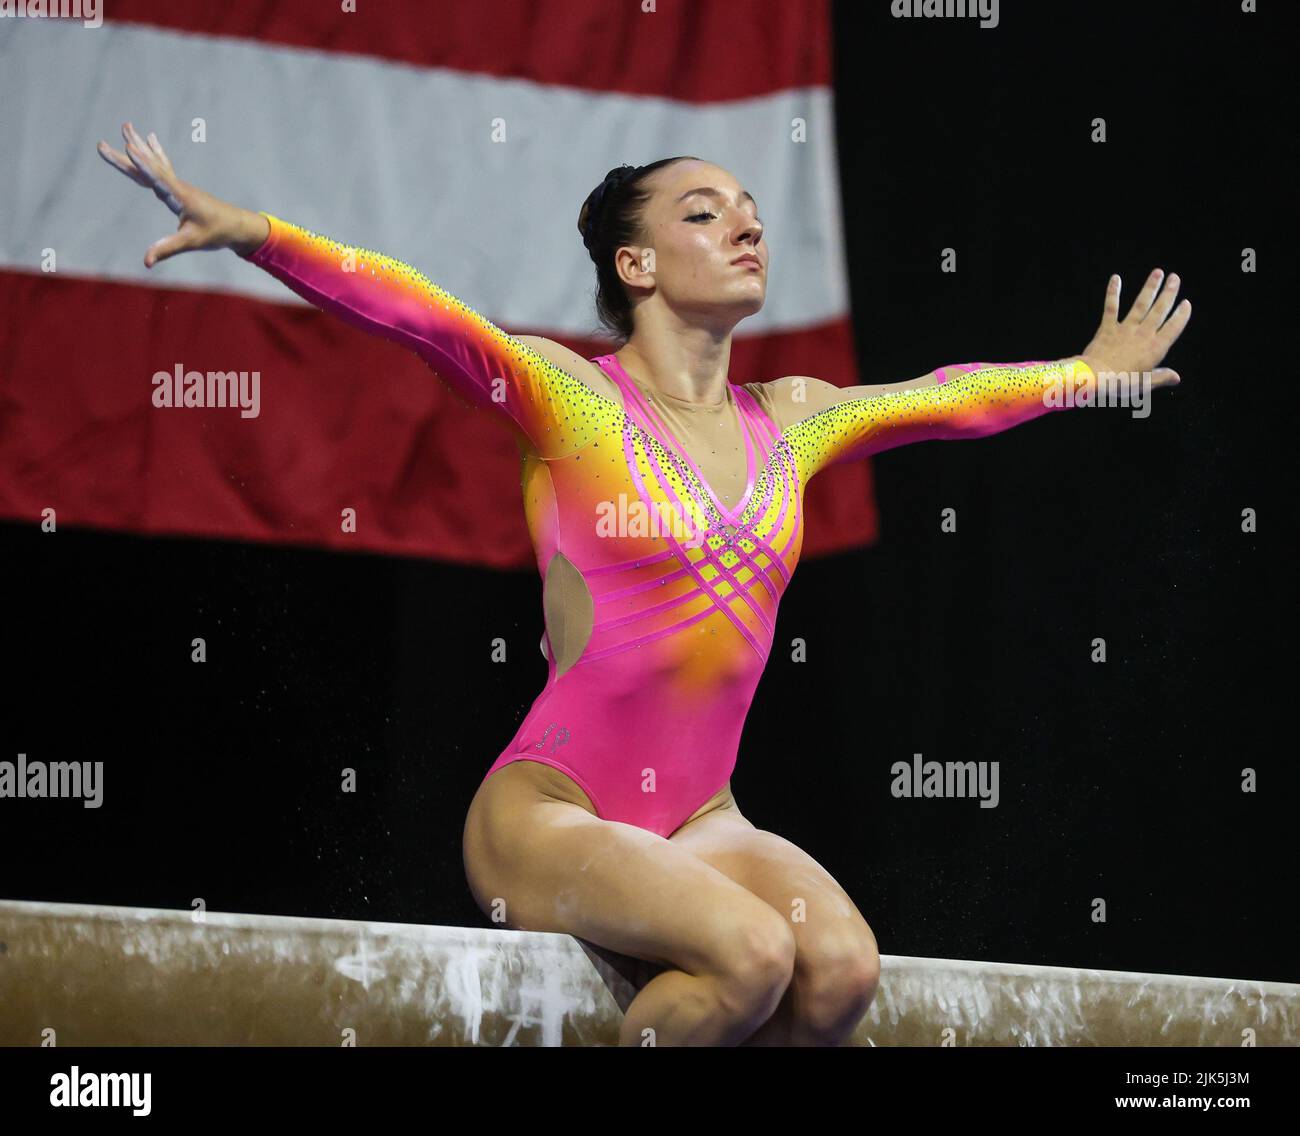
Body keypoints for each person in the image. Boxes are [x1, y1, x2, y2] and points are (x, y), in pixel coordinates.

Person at [97, 124, 1190, 1047]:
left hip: (702, 821)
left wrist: (1082, 378)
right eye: (707, 212)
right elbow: (427, 317)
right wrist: (260, 236)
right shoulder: (574, 399)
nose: (748, 225)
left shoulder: (795, 418)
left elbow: (944, 397)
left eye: (752, 207)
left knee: (841, 969)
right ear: (637, 266)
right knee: (752, 950)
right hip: (548, 812)